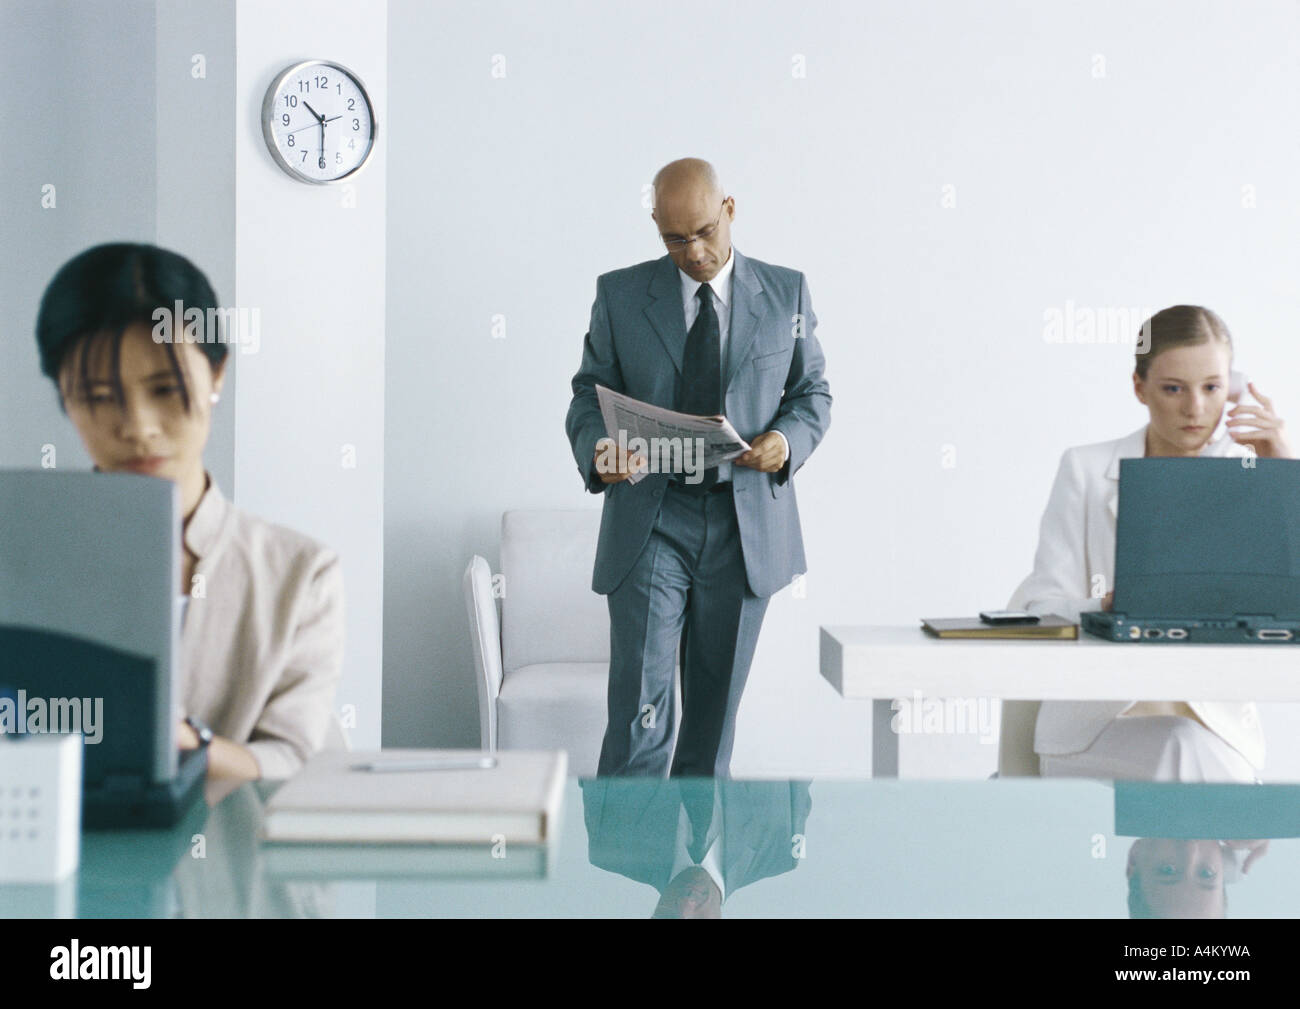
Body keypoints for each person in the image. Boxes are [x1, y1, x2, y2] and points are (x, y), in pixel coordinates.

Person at [34, 242, 345, 780]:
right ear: (64, 395)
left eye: (163, 389)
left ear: (217, 373)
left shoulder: (300, 573)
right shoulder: (24, 555)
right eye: (100, 396)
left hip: (237, 857)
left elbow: (293, 760)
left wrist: (180, 741)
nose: (138, 426)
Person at [565, 158, 831, 777]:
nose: (695, 252)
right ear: (656, 227)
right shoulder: (622, 294)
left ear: (730, 211)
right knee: (638, 715)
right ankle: (632, 872)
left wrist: (786, 442)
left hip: (745, 528)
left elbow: (813, 392)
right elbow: (588, 393)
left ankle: (696, 871)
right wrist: (599, 448)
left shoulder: (785, 291)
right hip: (652, 519)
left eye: (706, 232)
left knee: (712, 724)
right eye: (675, 239)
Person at [1009, 305, 1292, 782]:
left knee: (1185, 746)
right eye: (1173, 388)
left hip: (1216, 729)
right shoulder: (1084, 469)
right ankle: (1218, 849)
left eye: (1212, 387)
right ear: (1139, 387)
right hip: (1097, 726)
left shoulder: (1249, 474)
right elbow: (1040, 606)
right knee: (1177, 750)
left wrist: (1282, 470)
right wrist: (1105, 606)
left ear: (1234, 388)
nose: (1195, 408)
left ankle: (1200, 850)